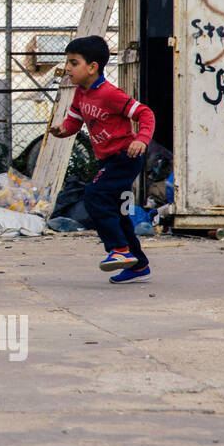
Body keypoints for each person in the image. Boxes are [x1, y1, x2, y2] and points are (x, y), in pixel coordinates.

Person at [48, 35, 156, 283]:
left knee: (94, 194)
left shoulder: (110, 94)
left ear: (92, 67)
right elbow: (74, 120)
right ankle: (138, 265)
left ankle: (118, 250)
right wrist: (64, 130)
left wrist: (141, 139)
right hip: (107, 161)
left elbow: (145, 113)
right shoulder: (81, 93)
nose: (67, 68)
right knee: (119, 214)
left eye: (74, 63)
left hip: (125, 157)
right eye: (68, 62)